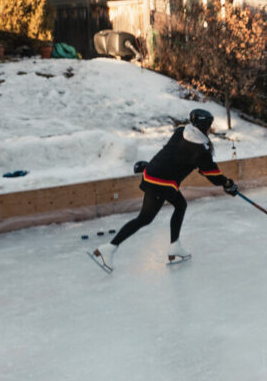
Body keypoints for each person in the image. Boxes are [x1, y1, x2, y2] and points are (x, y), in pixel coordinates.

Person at [90, 108, 237, 271]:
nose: (211, 128)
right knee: (145, 218)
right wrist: (227, 184)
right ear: (204, 126)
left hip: (154, 174)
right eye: (210, 125)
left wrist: (150, 166)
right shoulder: (200, 151)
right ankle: (109, 248)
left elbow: (171, 153)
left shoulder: (181, 131)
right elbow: (212, 174)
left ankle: (175, 247)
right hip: (161, 183)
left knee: (180, 205)